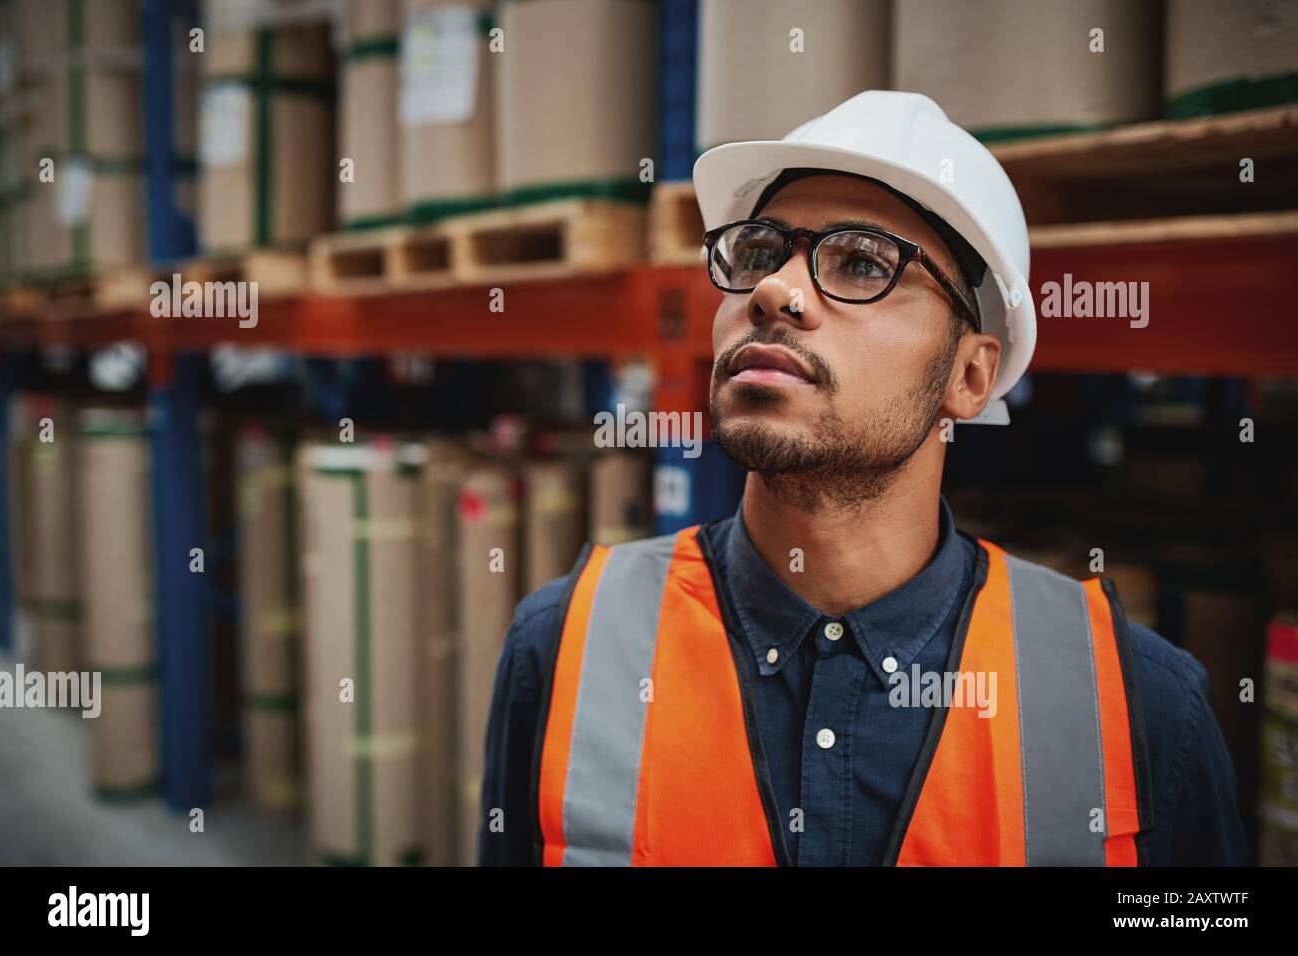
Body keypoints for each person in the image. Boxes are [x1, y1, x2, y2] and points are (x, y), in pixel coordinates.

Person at [477, 91, 1248, 866]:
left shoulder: (1136, 705)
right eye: (756, 253)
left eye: (861, 263)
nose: (775, 291)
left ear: (971, 377)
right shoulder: (565, 648)